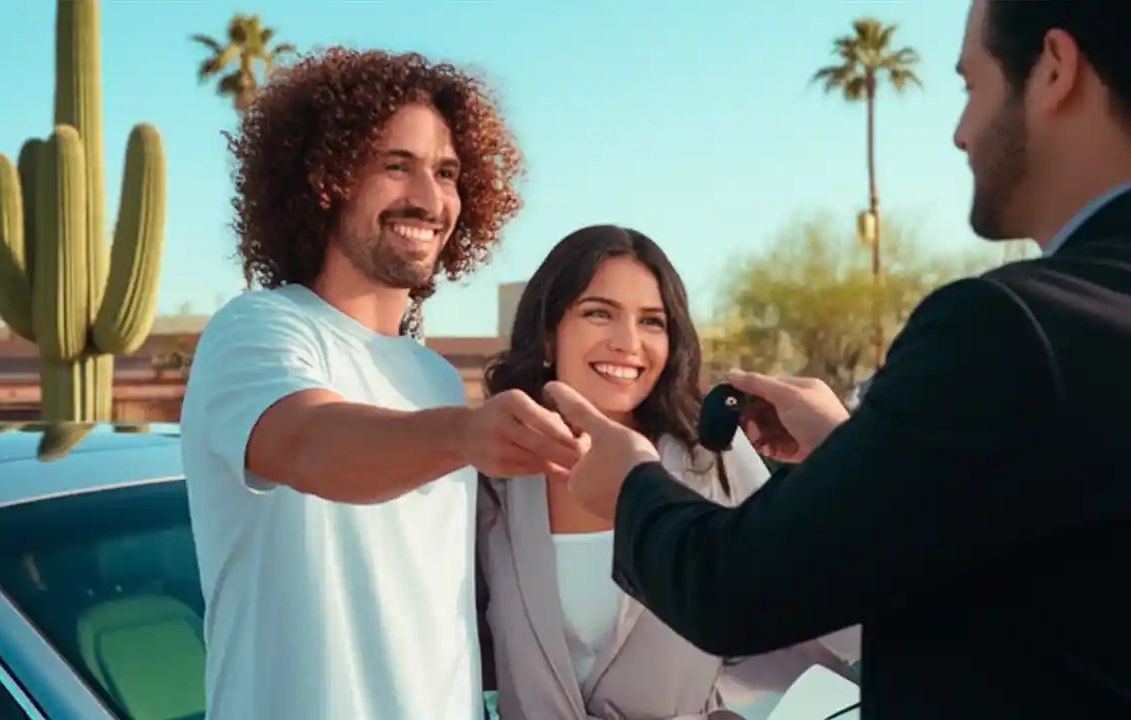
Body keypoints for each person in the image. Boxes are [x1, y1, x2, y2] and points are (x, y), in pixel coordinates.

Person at [542, 2, 1131, 717]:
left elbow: (736, 589)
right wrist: (860, 451)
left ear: (1055, 70)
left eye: (971, 87)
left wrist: (629, 480)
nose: (959, 133)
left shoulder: (1009, 328)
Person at [180, 48, 585, 720]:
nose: (429, 200)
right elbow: (311, 445)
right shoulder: (256, 331)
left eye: (447, 173)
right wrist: (466, 435)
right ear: (325, 177)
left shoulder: (431, 375)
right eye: (396, 166)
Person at [475, 225, 859, 720]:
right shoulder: (496, 473)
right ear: (548, 334)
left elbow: (822, 607)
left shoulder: (711, 457)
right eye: (598, 313)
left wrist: (846, 460)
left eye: (652, 322)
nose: (628, 343)